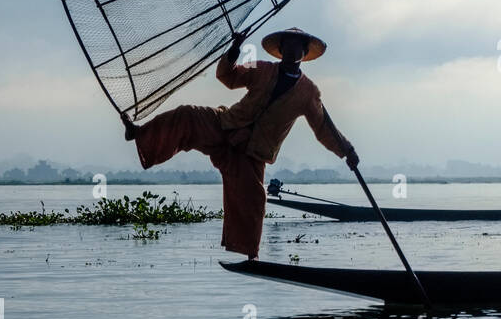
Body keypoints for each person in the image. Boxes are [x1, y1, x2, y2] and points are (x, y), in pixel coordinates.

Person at [122, 27, 358, 260]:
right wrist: (234, 50)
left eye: (298, 46)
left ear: (304, 53)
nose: (292, 49)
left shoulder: (308, 92)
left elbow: (324, 128)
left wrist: (347, 151)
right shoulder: (261, 67)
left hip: (253, 152)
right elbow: (229, 76)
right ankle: (139, 133)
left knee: (255, 198)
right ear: (281, 49)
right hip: (225, 125)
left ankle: (250, 255)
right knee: (187, 115)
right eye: (288, 44)